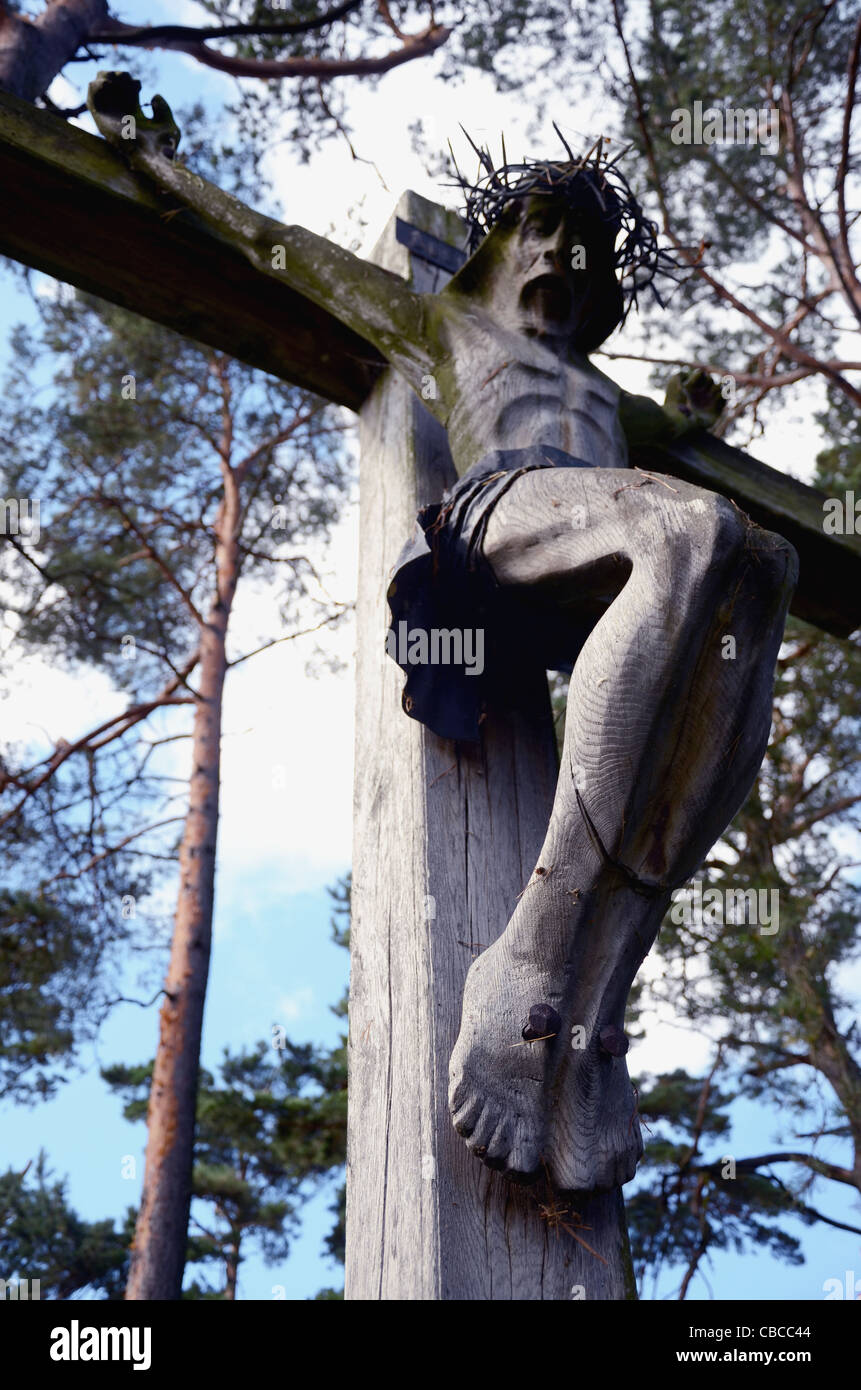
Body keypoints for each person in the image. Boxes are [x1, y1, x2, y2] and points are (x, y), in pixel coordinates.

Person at [89, 75, 798, 1190]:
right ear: (500, 246)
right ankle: (524, 958)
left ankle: (596, 1002)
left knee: (765, 563)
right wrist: (155, 163)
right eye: (543, 227)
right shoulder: (440, 322)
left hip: (600, 566)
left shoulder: (614, 398)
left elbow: (701, 454)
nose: (564, 253)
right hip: (498, 525)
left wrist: (701, 420)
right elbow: (276, 249)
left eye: (585, 243)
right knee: (694, 526)